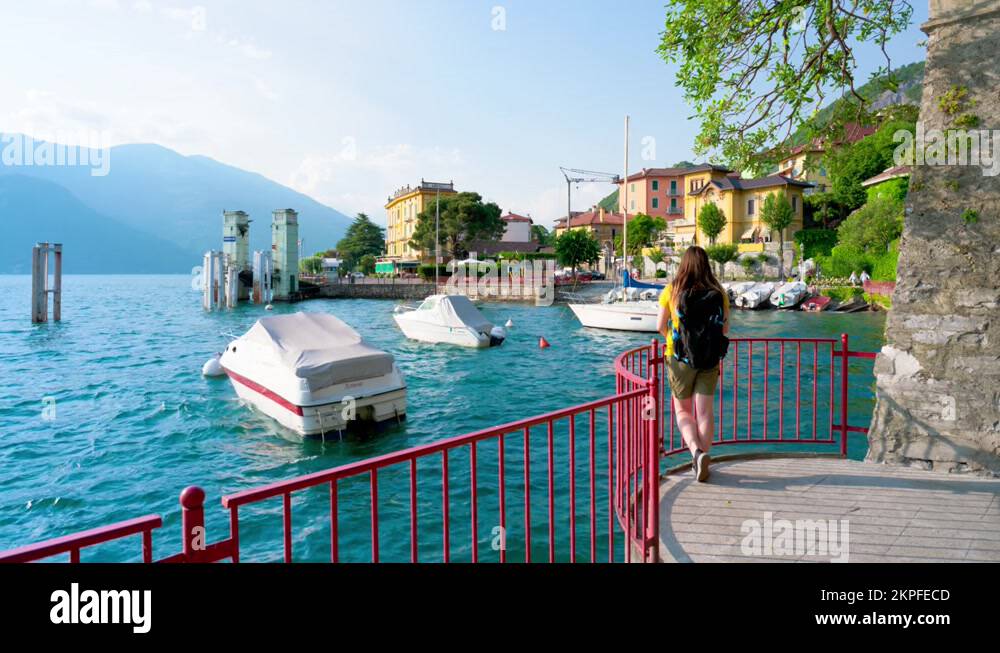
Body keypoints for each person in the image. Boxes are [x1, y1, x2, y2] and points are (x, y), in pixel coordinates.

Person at [656, 246, 730, 482]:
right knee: (705, 413)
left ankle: (696, 453)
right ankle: (702, 459)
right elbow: (724, 328)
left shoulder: (673, 290)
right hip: (709, 359)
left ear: (683, 264)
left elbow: (660, 325)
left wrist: (672, 340)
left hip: (679, 360)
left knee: (683, 411)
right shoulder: (719, 292)